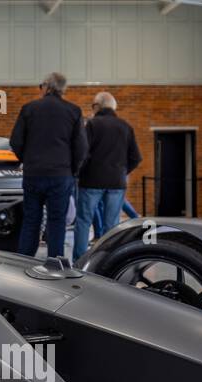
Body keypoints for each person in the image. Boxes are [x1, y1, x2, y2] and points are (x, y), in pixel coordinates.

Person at [10, 72, 87, 260]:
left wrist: (27, 160)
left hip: (33, 174)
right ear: (63, 89)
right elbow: (81, 147)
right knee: (57, 221)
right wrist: (72, 170)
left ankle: (23, 261)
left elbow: (15, 141)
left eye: (40, 86)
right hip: (61, 175)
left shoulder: (29, 109)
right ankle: (55, 263)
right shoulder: (73, 111)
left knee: (31, 220)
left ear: (46, 86)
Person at [72, 92, 142, 259]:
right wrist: (121, 172)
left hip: (91, 182)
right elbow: (136, 158)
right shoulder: (125, 126)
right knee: (112, 226)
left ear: (97, 106)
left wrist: (79, 173)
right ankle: (106, 261)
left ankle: (79, 261)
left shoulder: (92, 125)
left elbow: (82, 153)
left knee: (83, 222)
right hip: (116, 183)